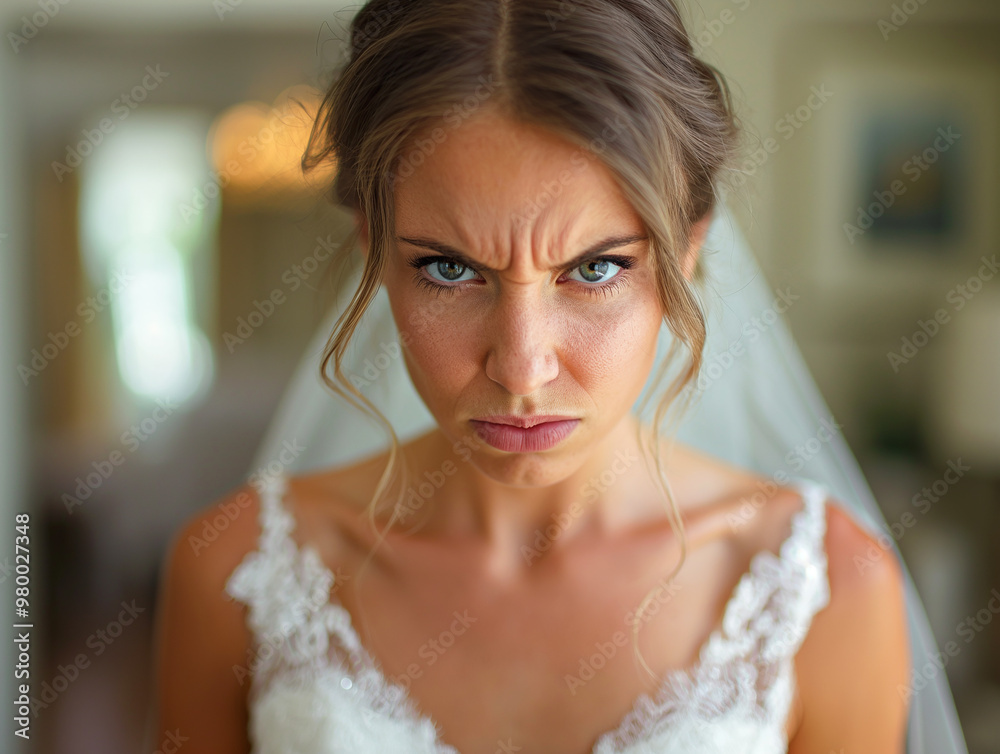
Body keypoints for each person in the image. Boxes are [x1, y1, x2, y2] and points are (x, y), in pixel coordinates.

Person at [152, 1, 968, 752]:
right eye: (448, 269)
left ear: (686, 255)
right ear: (374, 252)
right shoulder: (233, 574)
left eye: (594, 269)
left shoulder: (826, 590)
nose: (522, 366)